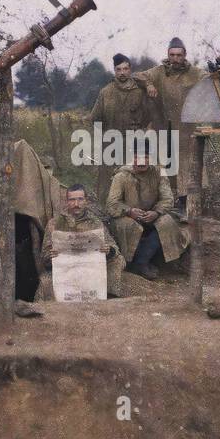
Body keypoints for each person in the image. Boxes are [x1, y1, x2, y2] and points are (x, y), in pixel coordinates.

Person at [139, 38, 203, 215]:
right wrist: (149, 84)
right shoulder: (160, 71)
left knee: (185, 165)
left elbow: (209, 79)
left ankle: (184, 202)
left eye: (179, 55)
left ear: (185, 55)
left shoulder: (194, 73)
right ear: (168, 55)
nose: (175, 59)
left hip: (186, 127)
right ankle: (164, 201)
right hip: (163, 127)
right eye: (172, 55)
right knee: (164, 164)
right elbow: (140, 75)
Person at [106, 148, 189, 280]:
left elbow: (167, 199)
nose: (141, 161)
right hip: (128, 217)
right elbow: (112, 204)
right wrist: (129, 211)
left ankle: (141, 262)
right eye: (137, 157)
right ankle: (133, 263)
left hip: (152, 215)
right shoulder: (121, 176)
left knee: (166, 223)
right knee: (129, 226)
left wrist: (156, 212)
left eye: (145, 157)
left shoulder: (159, 173)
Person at [89, 53, 155, 203]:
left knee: (133, 178)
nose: (122, 73)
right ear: (114, 70)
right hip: (111, 142)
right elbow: (94, 119)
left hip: (134, 143)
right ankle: (106, 210)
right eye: (119, 69)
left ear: (130, 69)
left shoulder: (139, 92)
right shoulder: (106, 92)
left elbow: (149, 117)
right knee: (107, 180)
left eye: (125, 69)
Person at [40, 182, 124, 298]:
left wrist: (109, 249)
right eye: (72, 200)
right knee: (45, 282)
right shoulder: (55, 223)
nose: (76, 204)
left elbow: (113, 246)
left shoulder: (96, 222)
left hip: (90, 266)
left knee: (118, 260)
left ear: (86, 201)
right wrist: (51, 254)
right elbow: (44, 255)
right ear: (66, 201)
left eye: (80, 199)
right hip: (67, 268)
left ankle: (109, 296)